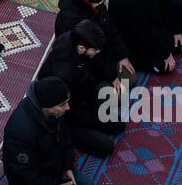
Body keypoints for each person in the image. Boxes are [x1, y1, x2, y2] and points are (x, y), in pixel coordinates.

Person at [37, 20, 129, 159]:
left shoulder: (76, 42)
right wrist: (93, 118)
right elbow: (68, 109)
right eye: (95, 50)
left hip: (83, 96)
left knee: (119, 125)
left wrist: (111, 76)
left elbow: (93, 69)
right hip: (65, 114)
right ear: (81, 48)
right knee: (106, 147)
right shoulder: (63, 74)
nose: (98, 52)